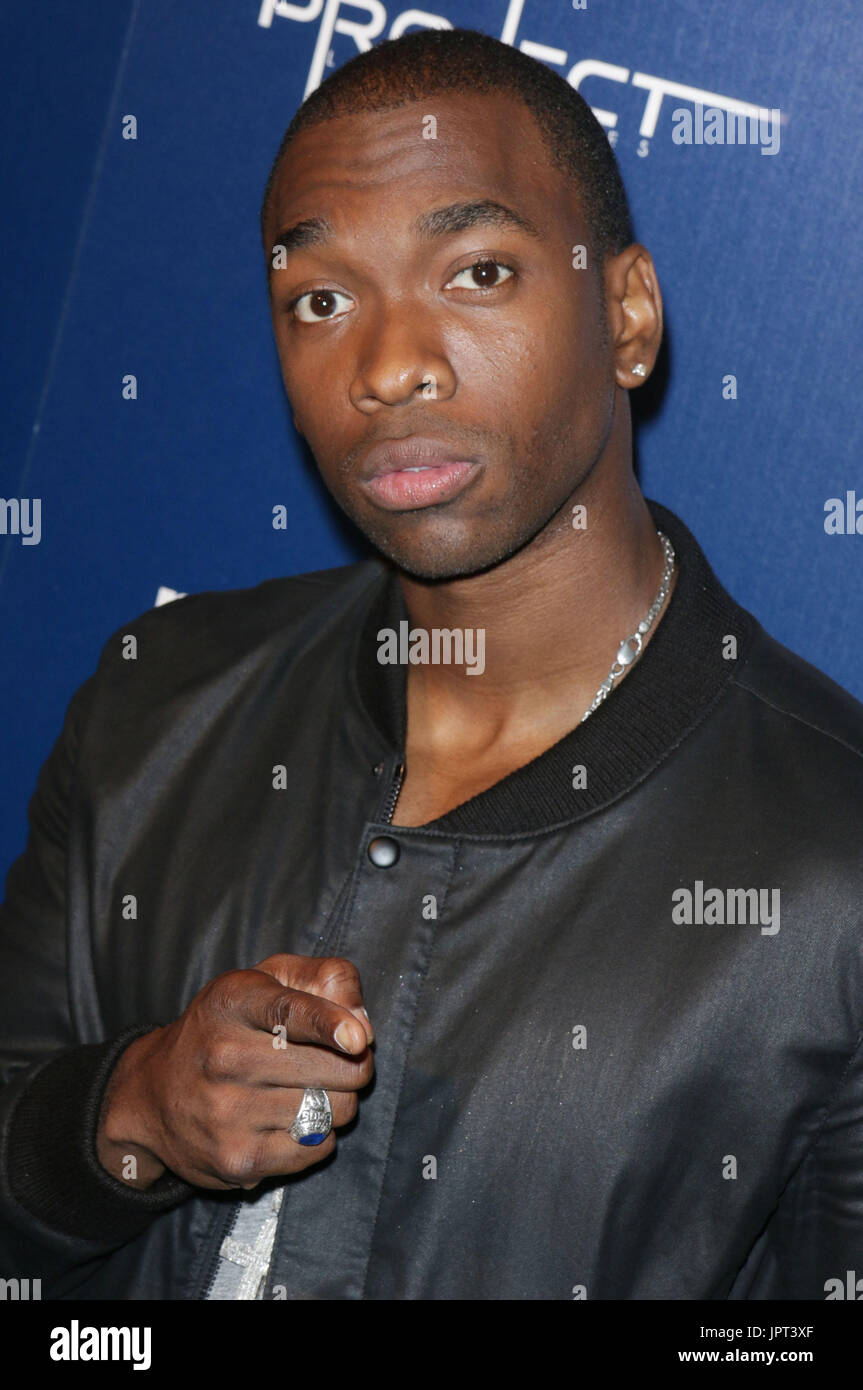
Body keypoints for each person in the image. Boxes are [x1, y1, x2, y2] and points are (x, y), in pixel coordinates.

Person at [2, 26, 862, 1302]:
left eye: (473, 271)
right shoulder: (153, 702)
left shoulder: (829, 856)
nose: (387, 366)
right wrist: (134, 1114)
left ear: (625, 316)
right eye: (320, 299)